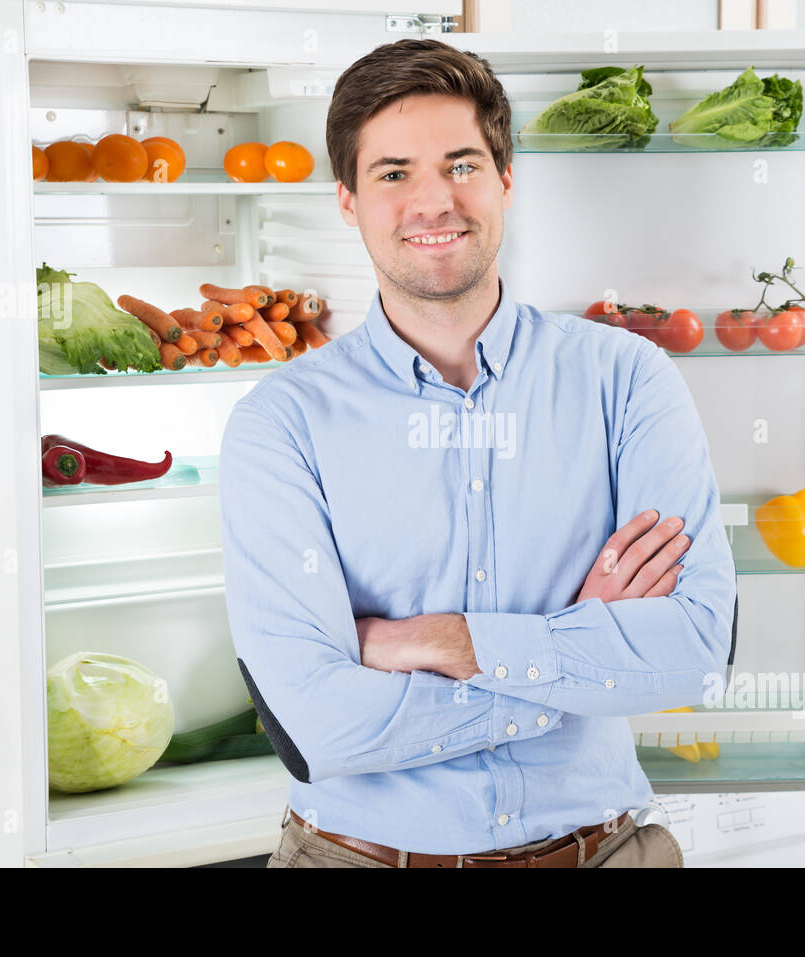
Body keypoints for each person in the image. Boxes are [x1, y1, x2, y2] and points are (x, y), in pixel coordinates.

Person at [219, 37, 737, 869]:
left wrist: (439, 639)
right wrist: (571, 654)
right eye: (394, 173)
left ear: (505, 179)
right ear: (348, 200)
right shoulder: (281, 423)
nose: (435, 202)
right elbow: (318, 727)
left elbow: (692, 655)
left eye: (461, 164)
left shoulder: (627, 378)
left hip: (606, 852)